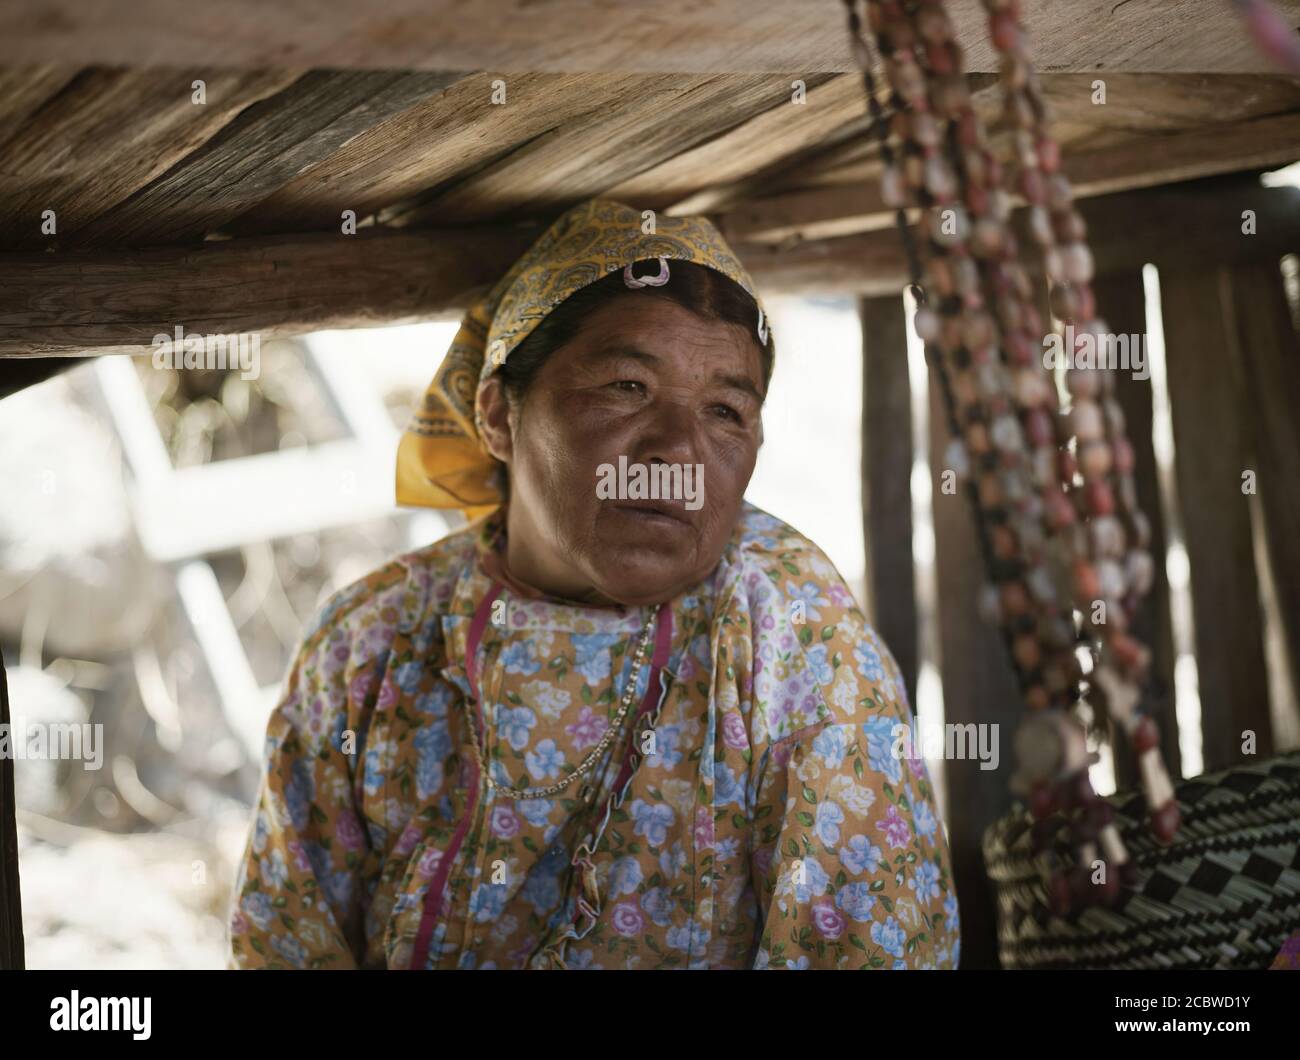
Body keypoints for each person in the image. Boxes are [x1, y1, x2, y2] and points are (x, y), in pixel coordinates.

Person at [227, 199, 961, 969]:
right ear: (497, 416)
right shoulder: (372, 640)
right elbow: (282, 943)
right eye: (625, 387)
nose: (677, 449)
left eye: (724, 411)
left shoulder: (795, 636)